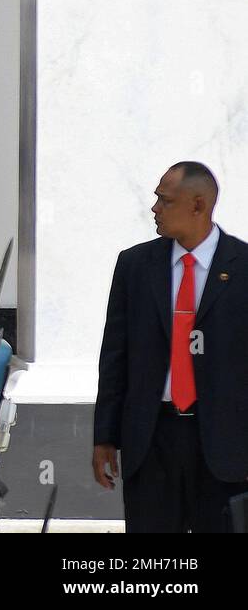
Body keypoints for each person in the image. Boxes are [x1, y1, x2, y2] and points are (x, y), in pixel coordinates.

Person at [94, 162, 248, 533]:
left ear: (198, 205)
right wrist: (104, 437)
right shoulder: (135, 265)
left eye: (165, 200)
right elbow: (115, 356)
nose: (155, 209)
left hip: (225, 446)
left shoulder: (243, 267)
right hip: (151, 440)